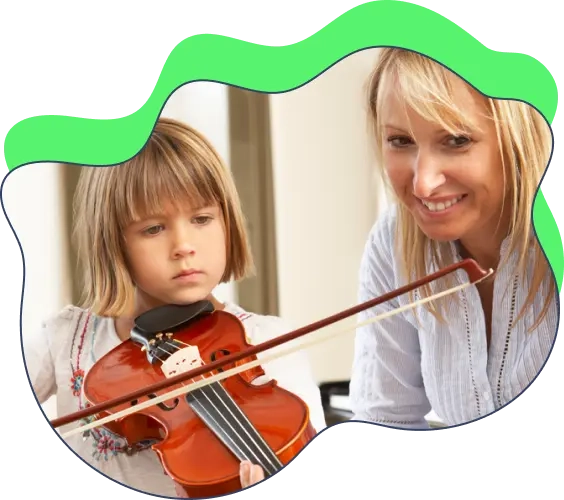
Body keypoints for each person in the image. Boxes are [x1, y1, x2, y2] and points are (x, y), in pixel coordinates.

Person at [22, 117, 326, 496]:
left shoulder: (265, 342)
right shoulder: (66, 339)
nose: (184, 245)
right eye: (153, 228)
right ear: (113, 242)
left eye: (201, 219)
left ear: (227, 222)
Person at [348, 47, 558, 429]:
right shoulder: (391, 241)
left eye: (457, 140)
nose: (423, 184)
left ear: (517, 139)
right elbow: (385, 419)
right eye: (400, 141)